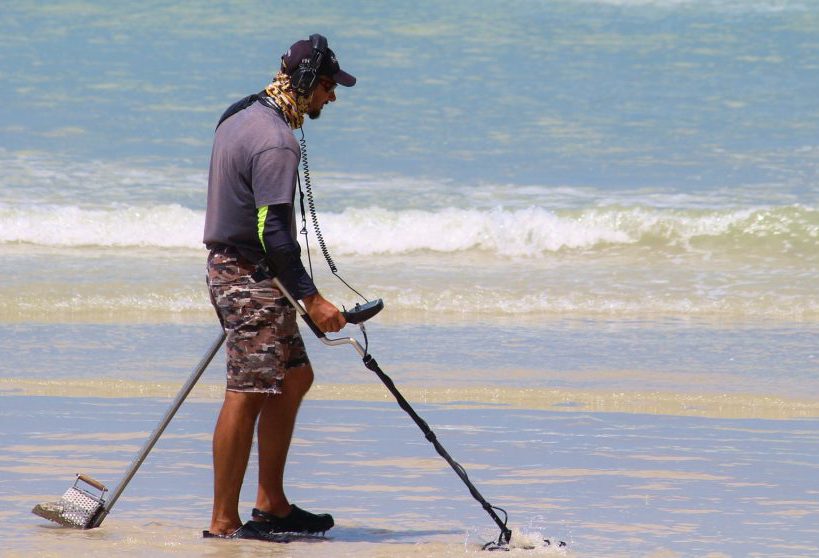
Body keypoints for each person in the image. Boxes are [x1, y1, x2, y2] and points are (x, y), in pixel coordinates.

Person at [201, 34, 355, 541]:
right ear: (308, 83)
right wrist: (313, 299)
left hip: (245, 269)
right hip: (247, 278)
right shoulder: (276, 142)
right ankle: (223, 523)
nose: (331, 98)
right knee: (246, 391)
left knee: (293, 378)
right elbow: (274, 233)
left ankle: (271, 503)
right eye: (329, 87)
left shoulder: (239, 113)